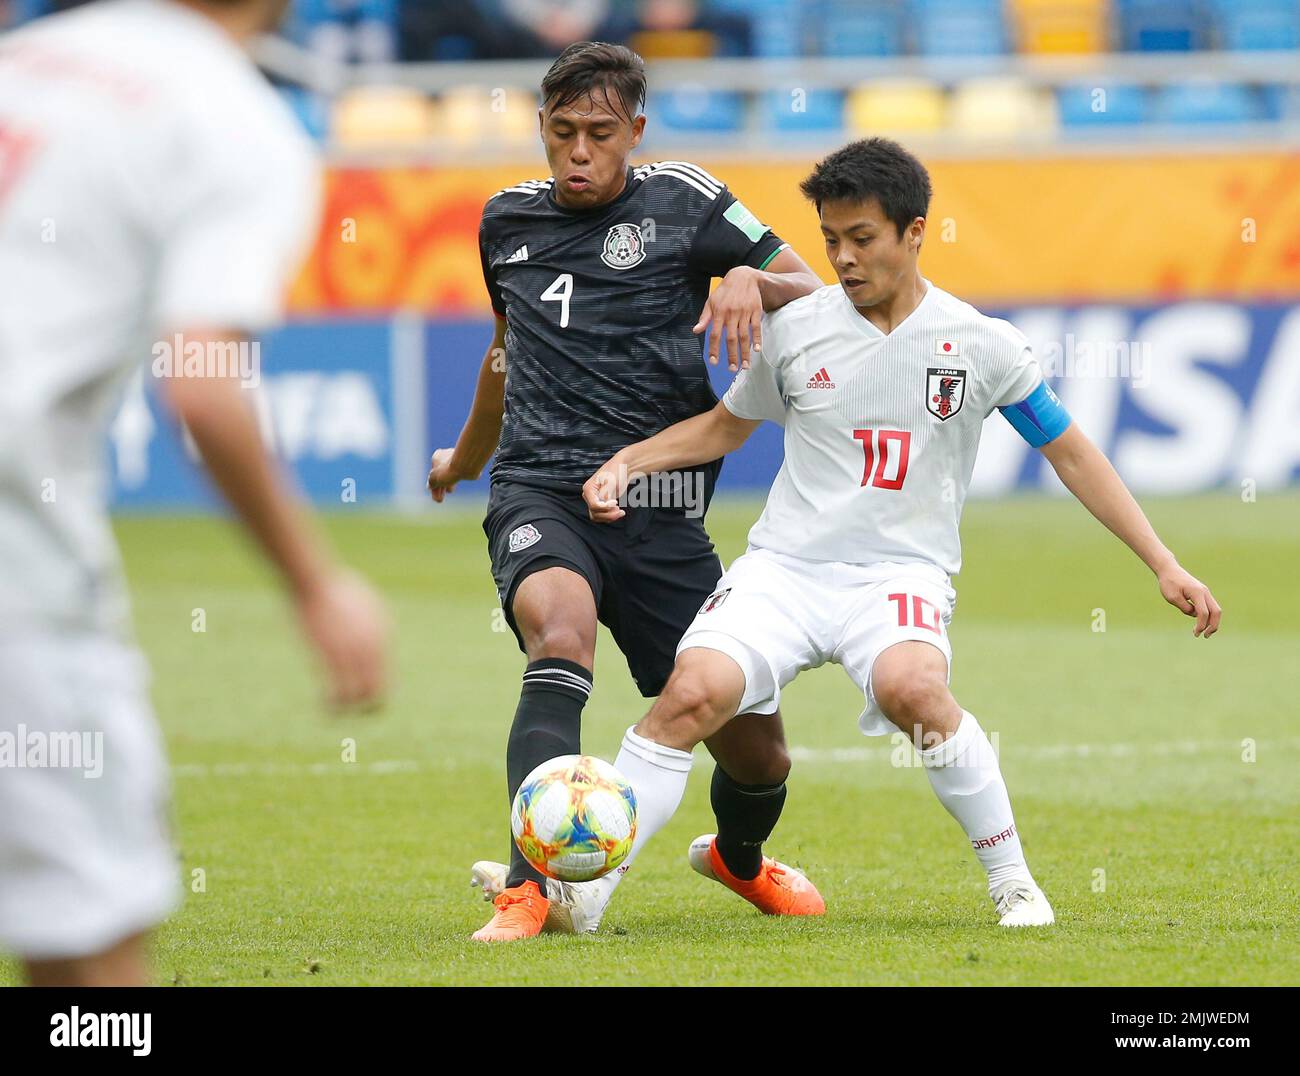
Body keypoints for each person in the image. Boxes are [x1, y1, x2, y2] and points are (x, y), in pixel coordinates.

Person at [577, 137, 1223, 928]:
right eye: (830, 241)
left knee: (914, 690)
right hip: (784, 569)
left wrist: (1163, 562)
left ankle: (1014, 883)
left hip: (898, 576)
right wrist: (628, 462)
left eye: (862, 239)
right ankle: (586, 890)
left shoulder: (981, 344)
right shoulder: (798, 330)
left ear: (915, 232)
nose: (843, 259)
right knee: (690, 695)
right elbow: (721, 428)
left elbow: (1072, 453)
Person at [0, 0, 389, 986]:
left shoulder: (32, 54)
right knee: (93, 945)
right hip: (17, 555)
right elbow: (205, 389)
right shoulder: (232, 121)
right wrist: (316, 582)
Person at [427, 41, 826, 942]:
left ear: (634, 132)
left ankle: (739, 857)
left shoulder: (687, 200)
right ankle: (528, 891)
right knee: (559, 633)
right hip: (543, 492)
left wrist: (748, 277)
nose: (577, 151)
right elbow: (504, 356)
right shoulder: (503, 223)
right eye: (560, 131)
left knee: (759, 754)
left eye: (598, 134)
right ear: (540, 128)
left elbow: (823, 293)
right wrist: (464, 457)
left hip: (663, 516)